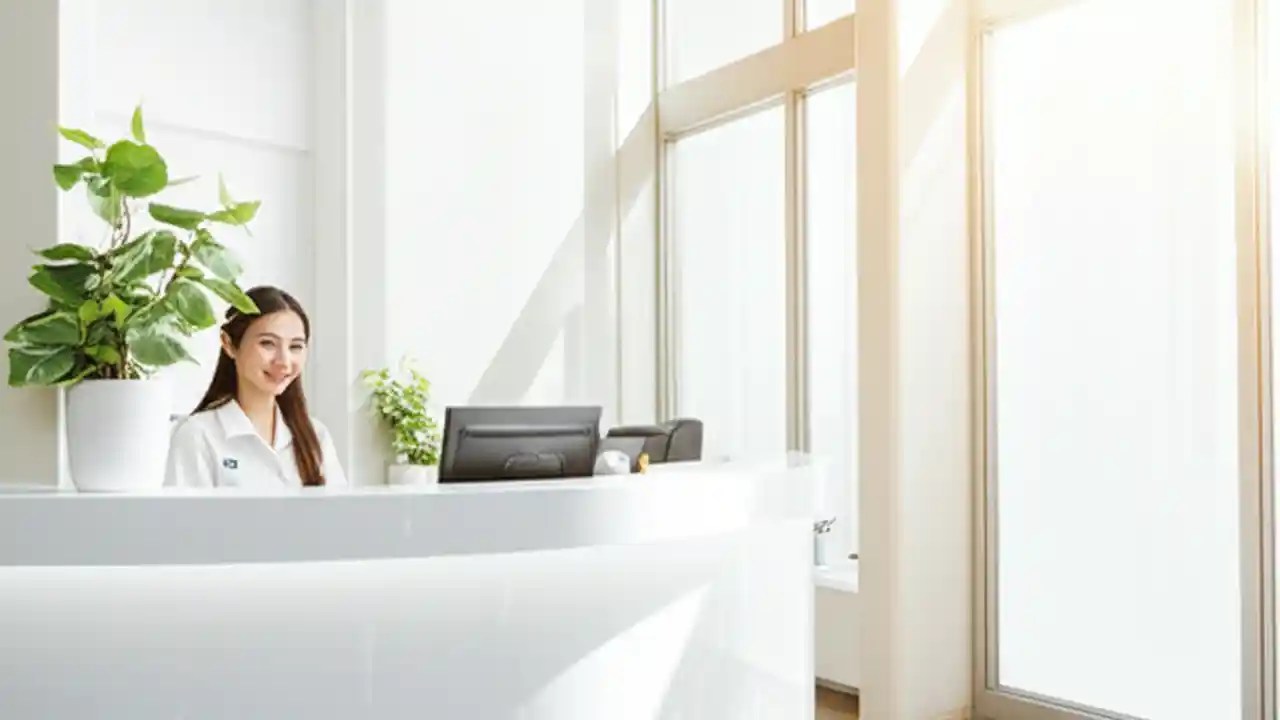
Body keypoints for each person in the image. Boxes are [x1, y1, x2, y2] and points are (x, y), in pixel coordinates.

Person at [164, 285, 348, 488]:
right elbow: (184, 519)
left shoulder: (316, 436)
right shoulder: (198, 435)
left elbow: (340, 516)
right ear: (229, 344)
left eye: (295, 346)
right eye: (268, 344)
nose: (284, 361)